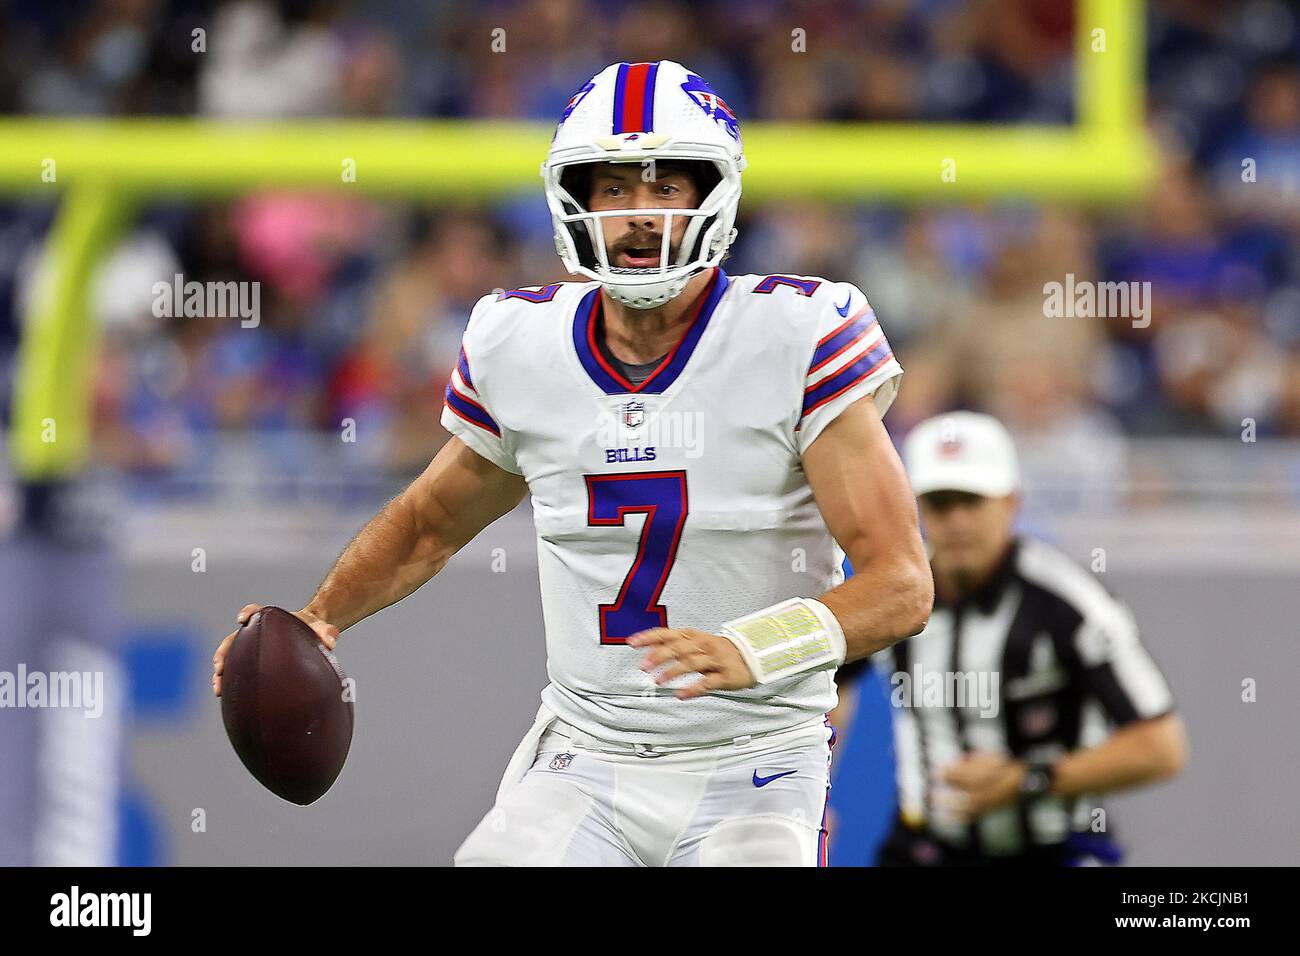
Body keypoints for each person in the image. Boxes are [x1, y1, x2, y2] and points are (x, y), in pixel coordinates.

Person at [212, 60, 932, 867]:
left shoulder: (796, 334)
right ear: (573, 201)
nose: (639, 217)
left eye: (665, 189)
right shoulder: (523, 345)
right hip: (585, 757)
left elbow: (901, 583)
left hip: (756, 760)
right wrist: (321, 615)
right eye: (614, 190)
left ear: (714, 198)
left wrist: (756, 647)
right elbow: (426, 527)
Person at [840, 411, 1186, 866]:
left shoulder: (1068, 602)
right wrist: (813, 785)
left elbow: (1162, 746)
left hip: (1054, 848)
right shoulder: (894, 593)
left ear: (1010, 503)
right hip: (927, 847)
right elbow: (831, 686)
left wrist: (1028, 780)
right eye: (942, 502)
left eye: (973, 500)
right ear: (917, 507)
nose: (959, 520)